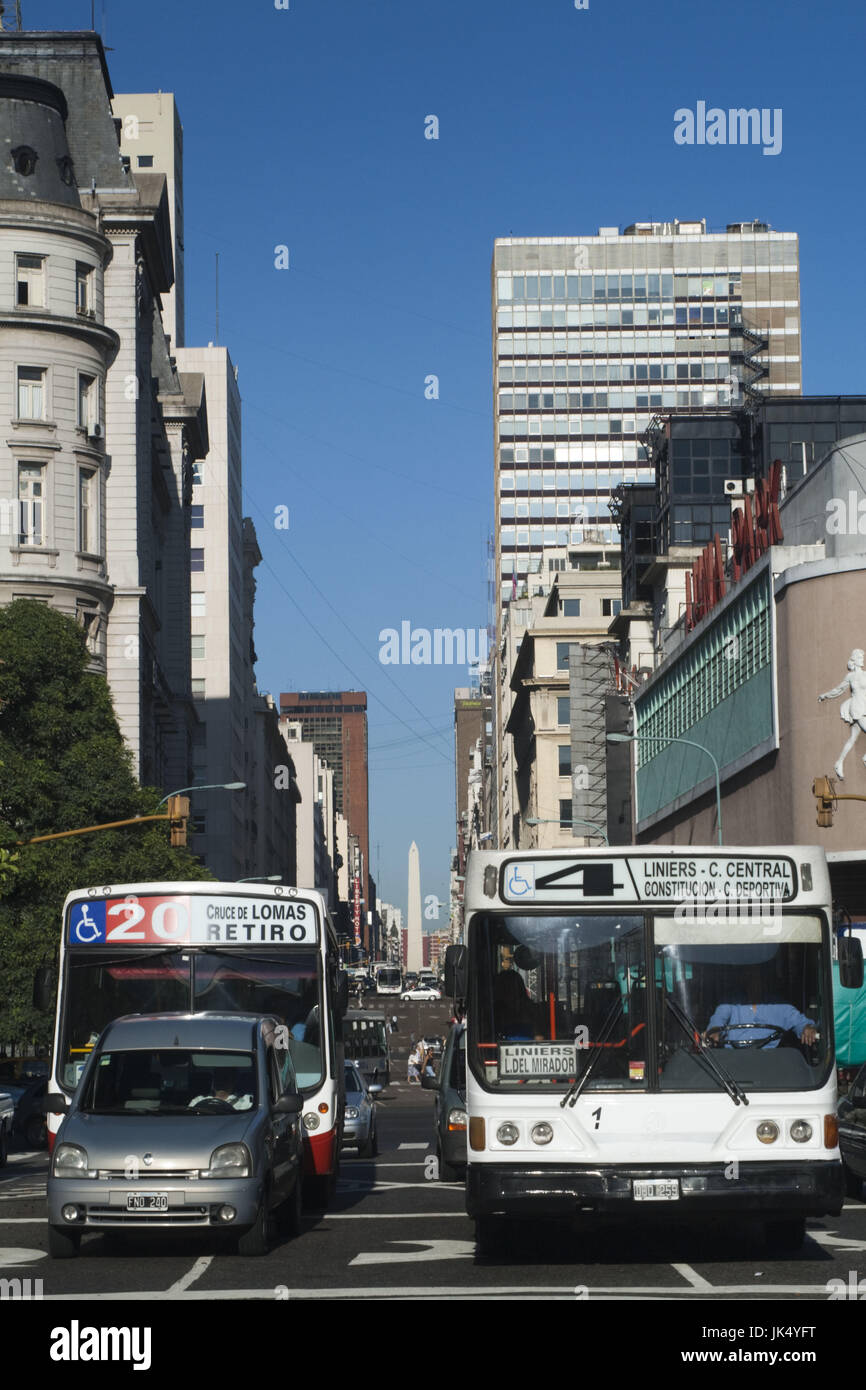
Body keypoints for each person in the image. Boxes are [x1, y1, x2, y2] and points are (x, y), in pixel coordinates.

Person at [818, 650, 866, 780]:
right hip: (857, 707)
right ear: (854, 660)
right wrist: (825, 695)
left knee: (852, 738)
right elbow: (839, 689)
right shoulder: (850, 677)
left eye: (863, 657)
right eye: (860, 657)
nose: (862, 659)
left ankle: (839, 763)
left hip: (864, 707)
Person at [188, 1067, 254, 1110]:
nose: (221, 1081)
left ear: (234, 1080)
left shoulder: (247, 1101)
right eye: (218, 1076)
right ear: (213, 1079)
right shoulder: (198, 1100)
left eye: (225, 1077)